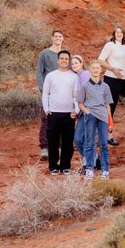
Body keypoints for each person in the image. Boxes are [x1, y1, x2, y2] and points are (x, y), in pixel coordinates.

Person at [41, 50, 78, 174]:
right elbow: (45, 93)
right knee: (53, 141)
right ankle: (53, 166)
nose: (64, 61)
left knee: (68, 142)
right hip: (54, 114)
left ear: (69, 61)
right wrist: (47, 109)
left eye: (66, 59)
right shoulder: (51, 76)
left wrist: (76, 110)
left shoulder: (74, 76)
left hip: (69, 114)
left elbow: (77, 96)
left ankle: (65, 166)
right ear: (58, 60)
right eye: (61, 58)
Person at [77, 60, 114, 179]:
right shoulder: (85, 86)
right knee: (90, 143)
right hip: (90, 115)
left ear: (101, 70)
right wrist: (87, 112)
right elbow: (80, 103)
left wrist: (110, 120)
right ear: (90, 70)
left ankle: (105, 170)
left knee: (103, 144)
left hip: (103, 116)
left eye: (98, 68)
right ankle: (89, 169)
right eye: (93, 68)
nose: (96, 70)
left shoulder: (106, 86)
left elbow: (108, 104)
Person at [35, 30, 65, 159]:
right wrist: (43, 90)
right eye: (56, 36)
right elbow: (39, 72)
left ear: (63, 39)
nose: (58, 38)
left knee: (61, 120)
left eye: (60, 36)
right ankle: (45, 147)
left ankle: (58, 146)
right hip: (48, 93)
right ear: (52, 38)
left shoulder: (65, 54)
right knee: (46, 119)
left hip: (63, 93)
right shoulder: (44, 54)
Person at [98, 26, 125, 145]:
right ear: (114, 34)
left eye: (121, 32)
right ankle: (108, 135)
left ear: (124, 34)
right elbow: (101, 60)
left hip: (123, 81)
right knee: (111, 107)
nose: (119, 34)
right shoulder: (109, 45)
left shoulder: (124, 47)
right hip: (111, 79)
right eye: (117, 32)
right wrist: (112, 69)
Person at [70, 55, 92, 166]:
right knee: (80, 138)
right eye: (72, 63)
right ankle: (91, 160)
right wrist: (75, 110)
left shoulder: (85, 74)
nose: (74, 65)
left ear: (81, 63)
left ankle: (89, 161)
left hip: (88, 111)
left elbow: (88, 91)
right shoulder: (77, 77)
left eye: (76, 63)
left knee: (79, 138)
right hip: (81, 112)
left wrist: (77, 94)